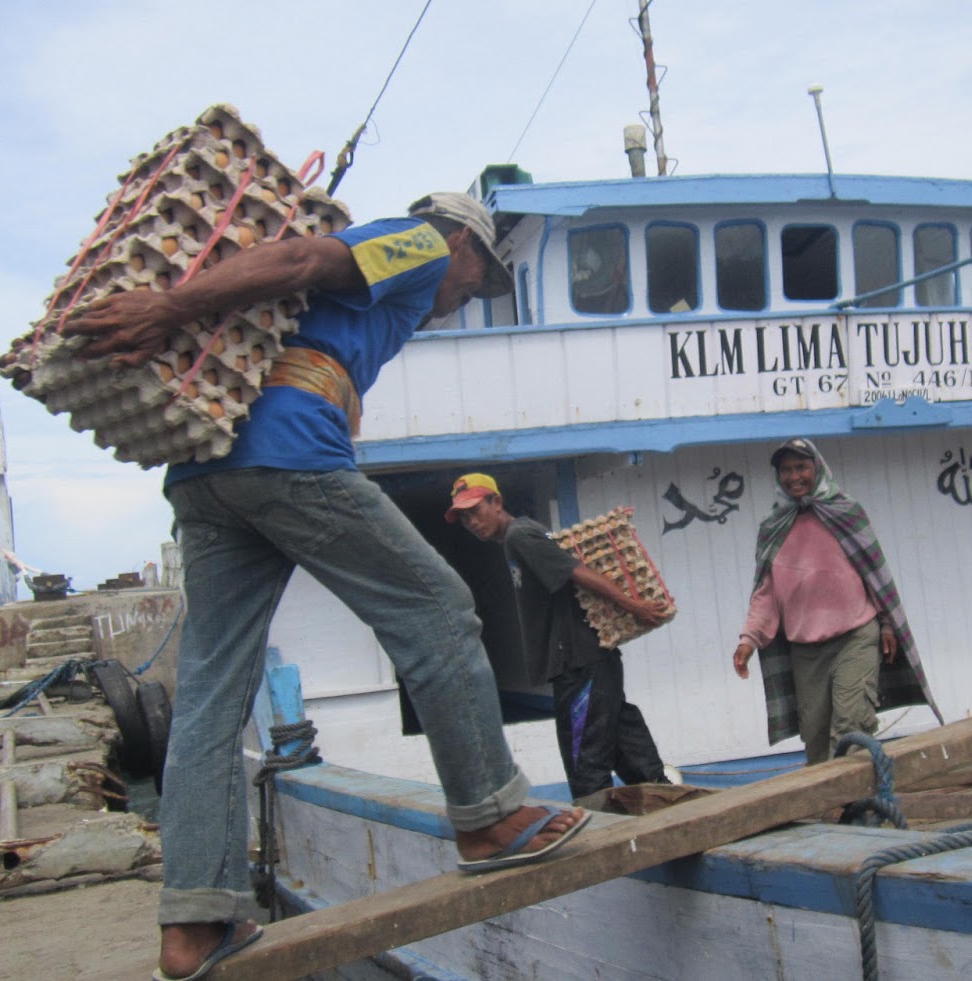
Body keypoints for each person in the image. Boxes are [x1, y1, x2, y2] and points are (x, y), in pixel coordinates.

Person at [38, 193, 589, 981]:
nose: (462, 296)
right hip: (287, 454)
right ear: (462, 241)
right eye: (474, 281)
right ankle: (492, 818)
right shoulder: (421, 244)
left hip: (204, 474)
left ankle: (196, 921)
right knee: (438, 609)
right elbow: (301, 260)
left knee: (210, 694)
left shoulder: (383, 300)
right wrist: (168, 306)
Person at [447, 473, 674, 801]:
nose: (470, 522)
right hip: (587, 659)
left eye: (475, 510)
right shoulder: (518, 538)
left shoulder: (519, 535)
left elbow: (577, 572)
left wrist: (633, 605)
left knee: (584, 756)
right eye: (463, 517)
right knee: (620, 734)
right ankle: (661, 796)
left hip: (578, 660)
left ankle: (599, 827)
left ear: (496, 502)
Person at [732, 437, 939, 764]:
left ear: (818, 468)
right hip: (806, 650)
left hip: (855, 637)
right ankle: (830, 811)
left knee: (850, 727)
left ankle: (861, 811)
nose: (794, 476)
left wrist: (886, 623)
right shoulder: (773, 527)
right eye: (786, 470)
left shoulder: (846, 512)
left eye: (801, 467)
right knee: (815, 740)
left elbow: (875, 574)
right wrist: (748, 641)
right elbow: (766, 595)